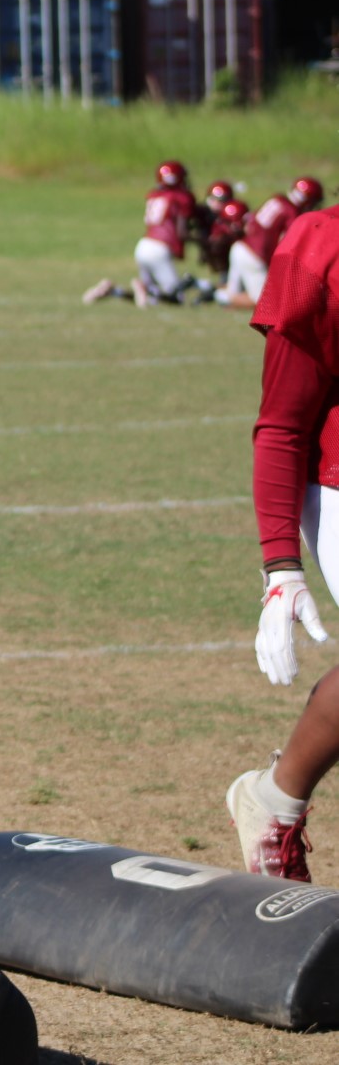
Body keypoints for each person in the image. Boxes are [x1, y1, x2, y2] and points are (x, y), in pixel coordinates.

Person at [233, 198, 339, 882]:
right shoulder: (324, 246)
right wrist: (281, 568)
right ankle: (273, 801)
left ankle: (273, 800)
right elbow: (282, 422)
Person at [82, 160, 203, 308]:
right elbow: (182, 232)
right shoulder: (181, 197)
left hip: (144, 245)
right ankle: (143, 288)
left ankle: (115, 291)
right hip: (160, 248)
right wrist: (202, 240)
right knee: (176, 298)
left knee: (150, 299)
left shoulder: (155, 195)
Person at [217, 177, 326, 310]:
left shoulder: (278, 199)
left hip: (241, 247)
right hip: (253, 256)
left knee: (235, 291)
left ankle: (219, 294)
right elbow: (289, 243)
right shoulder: (291, 212)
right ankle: (217, 296)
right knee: (267, 303)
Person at [190, 179, 248, 305]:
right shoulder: (205, 214)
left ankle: (207, 288)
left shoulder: (233, 212)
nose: (216, 204)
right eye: (213, 199)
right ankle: (214, 291)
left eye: (220, 200)